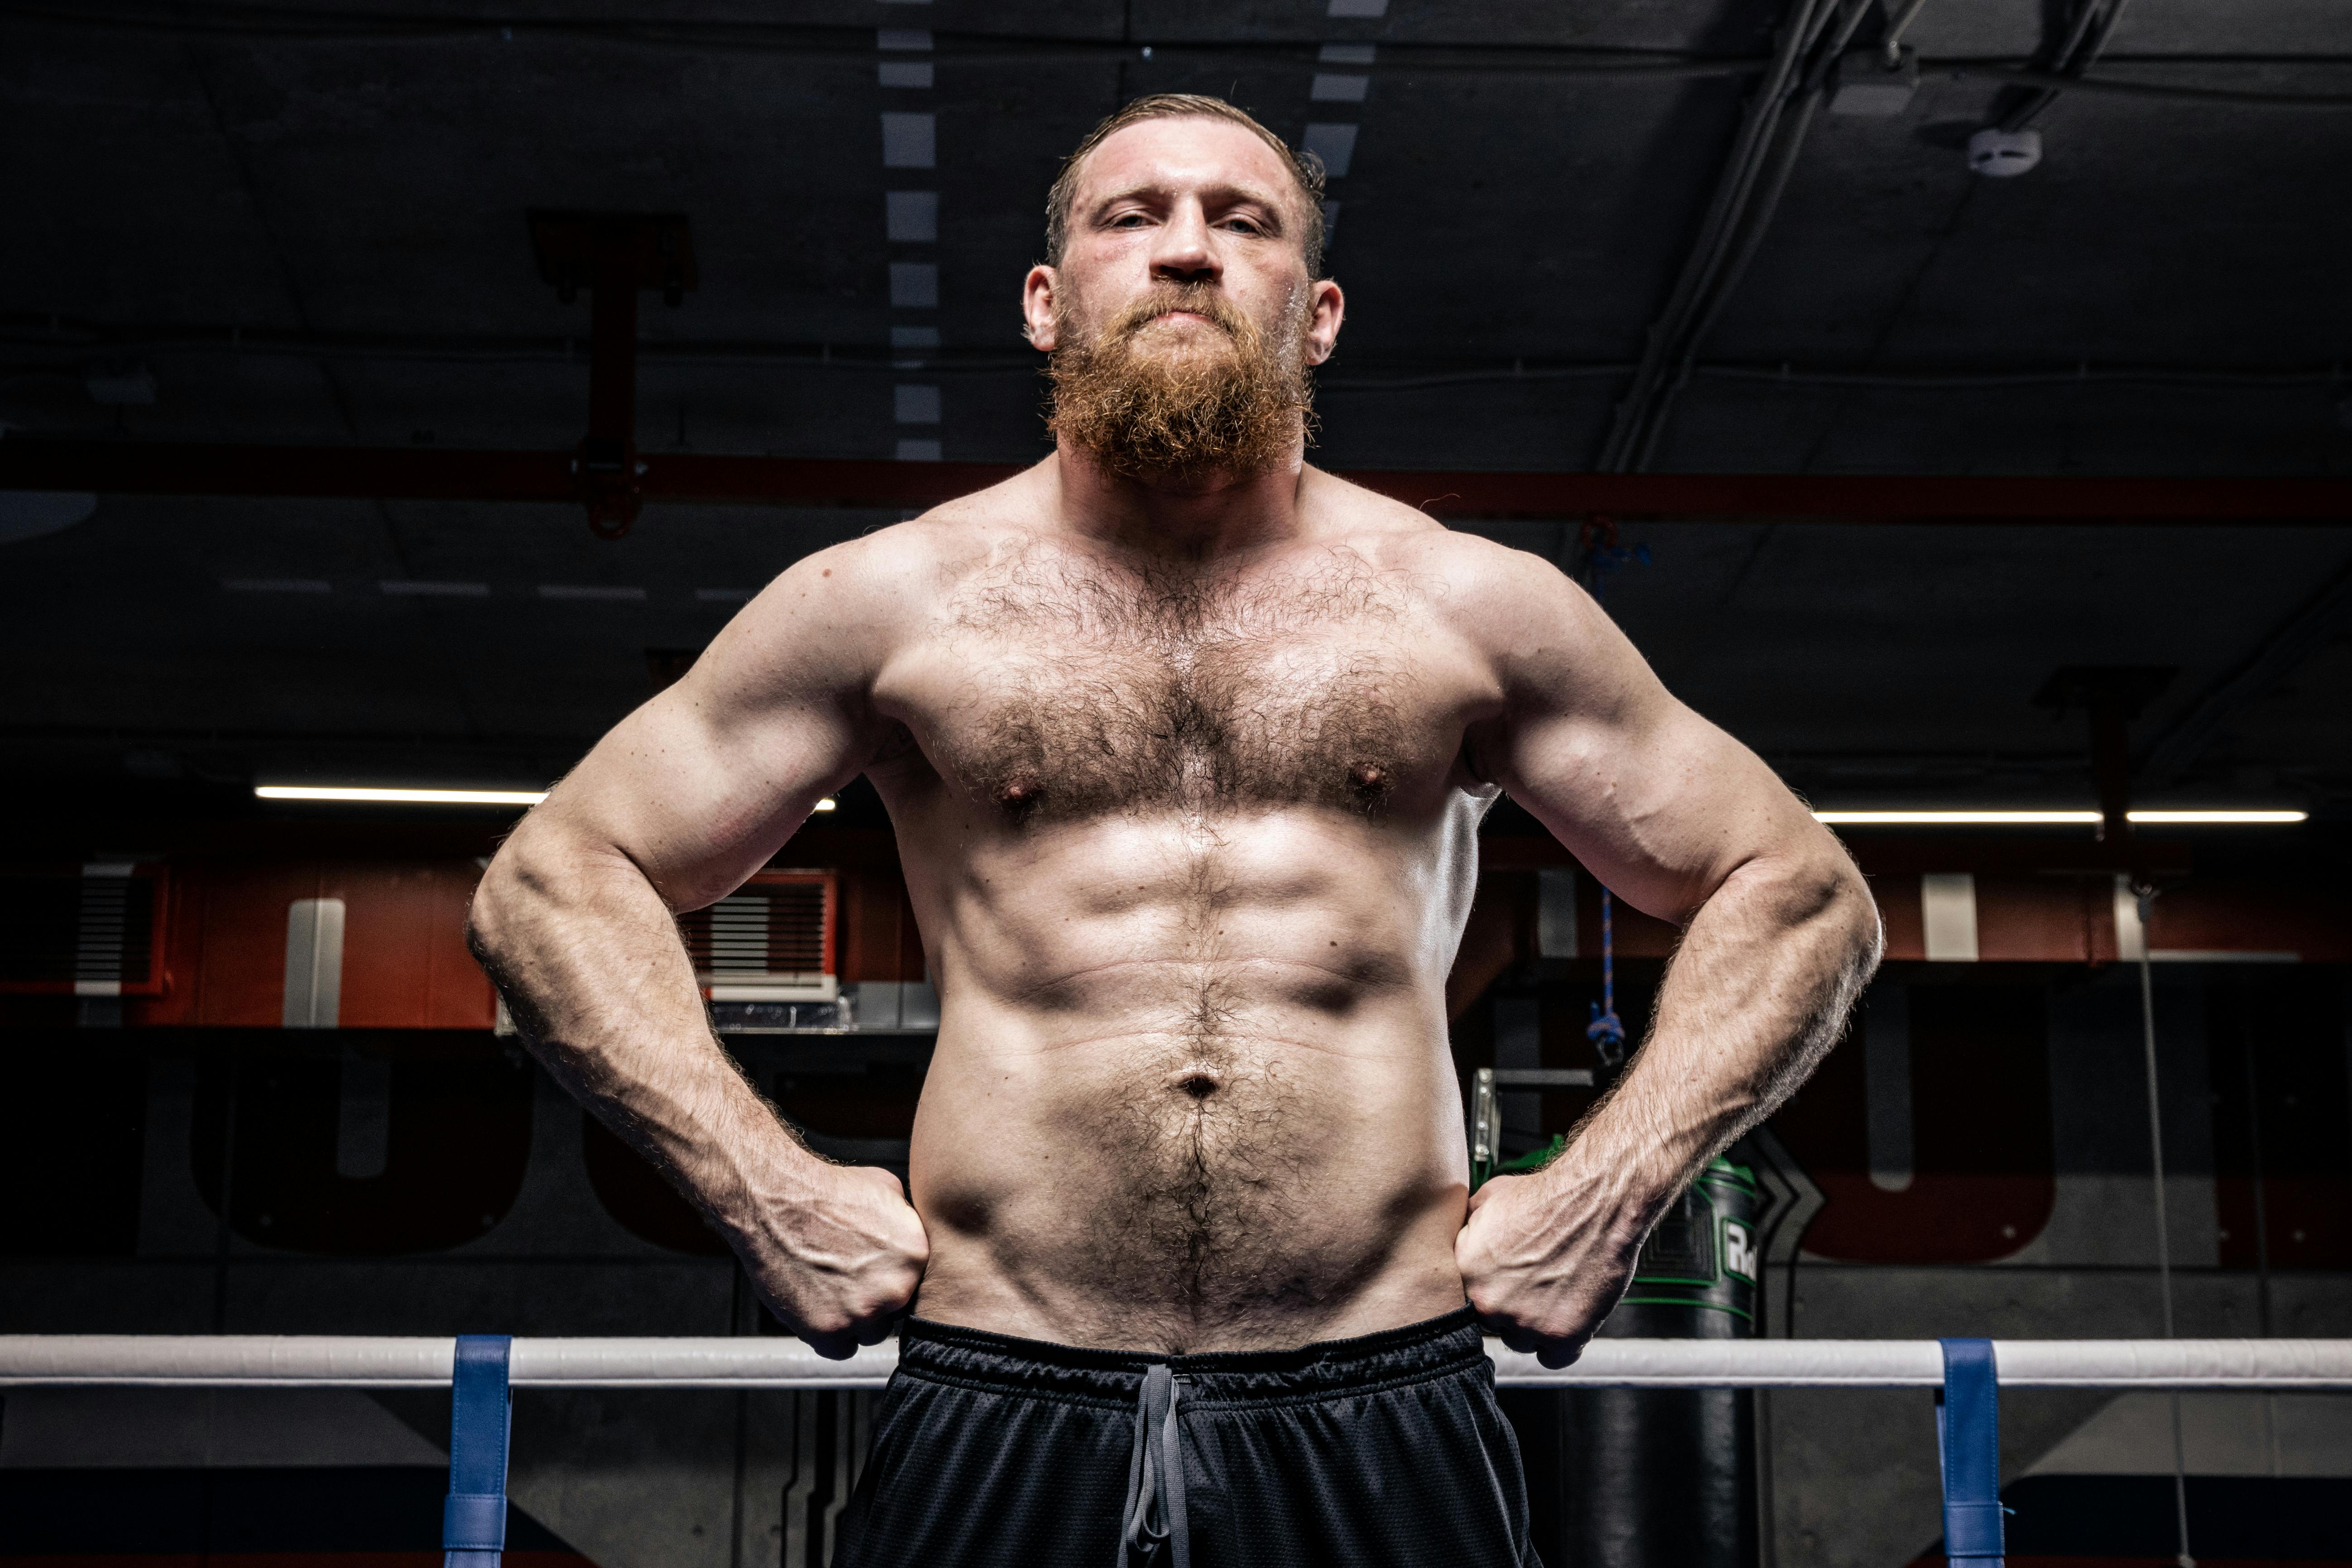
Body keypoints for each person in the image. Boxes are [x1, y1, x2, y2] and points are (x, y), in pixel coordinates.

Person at [468, 93, 1881, 1568]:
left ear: (1316, 316)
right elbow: (551, 884)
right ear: (1046, 301)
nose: (1187, 251)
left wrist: (1610, 1187)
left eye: (1241, 221)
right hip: (1001, 1387)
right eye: (1131, 217)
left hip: (1379, 1387)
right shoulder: (891, 602)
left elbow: (1799, 894)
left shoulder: (1468, 606)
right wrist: (763, 1193)